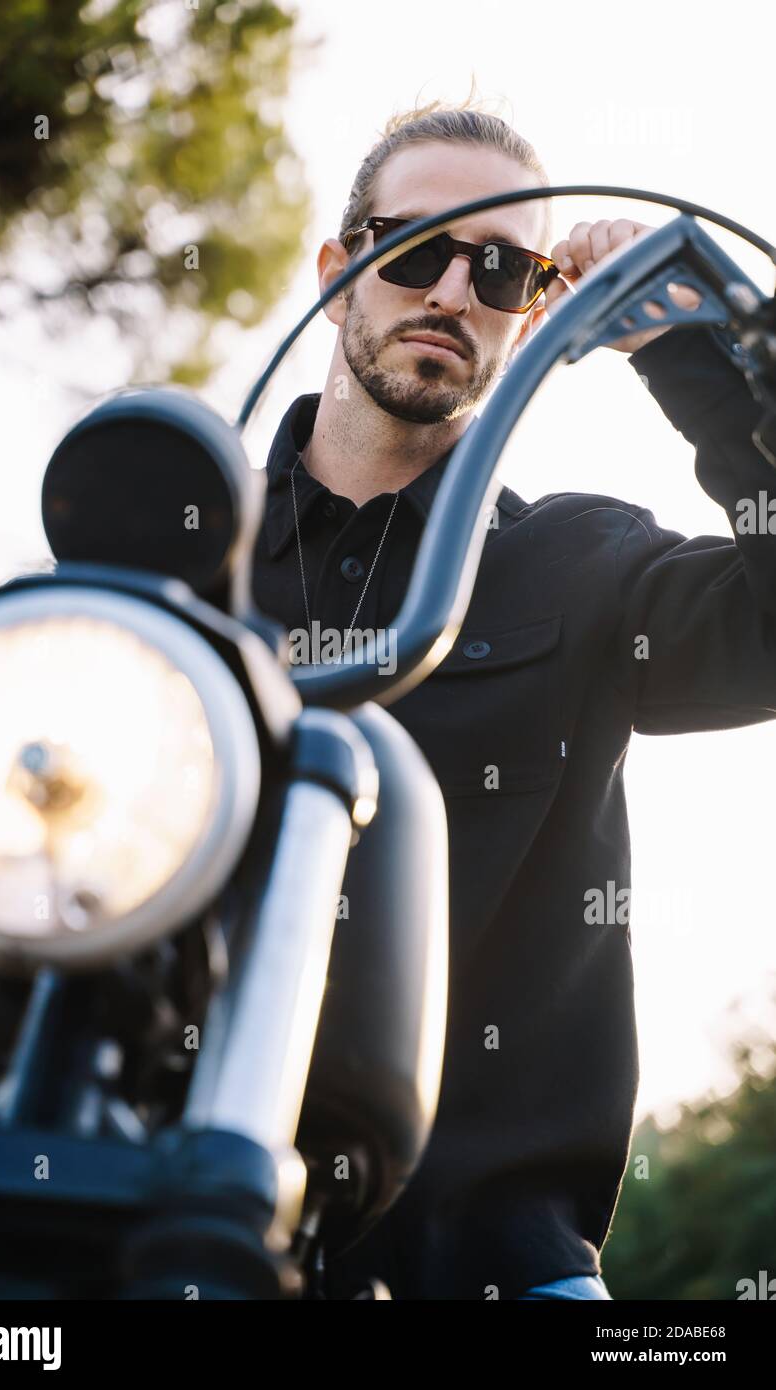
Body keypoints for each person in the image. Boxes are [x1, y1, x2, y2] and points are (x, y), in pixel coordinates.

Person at [246, 101, 776, 1299]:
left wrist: (691, 350)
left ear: (535, 309)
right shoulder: (176, 559)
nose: (450, 291)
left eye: (499, 268)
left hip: (493, 1267)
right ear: (337, 275)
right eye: (413, 248)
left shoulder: (585, 563)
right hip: (154, 1233)